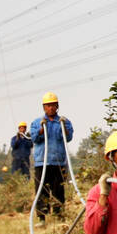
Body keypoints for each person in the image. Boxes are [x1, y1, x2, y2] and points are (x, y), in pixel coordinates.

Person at [30, 92, 73, 222]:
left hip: (58, 162)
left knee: (58, 190)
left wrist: (64, 126)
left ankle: (59, 216)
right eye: (48, 106)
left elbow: (69, 137)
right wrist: (41, 130)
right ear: (44, 107)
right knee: (41, 190)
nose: (51, 108)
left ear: (57, 106)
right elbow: (34, 138)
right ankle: (41, 218)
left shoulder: (64, 122)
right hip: (42, 162)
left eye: (53, 105)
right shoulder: (37, 122)